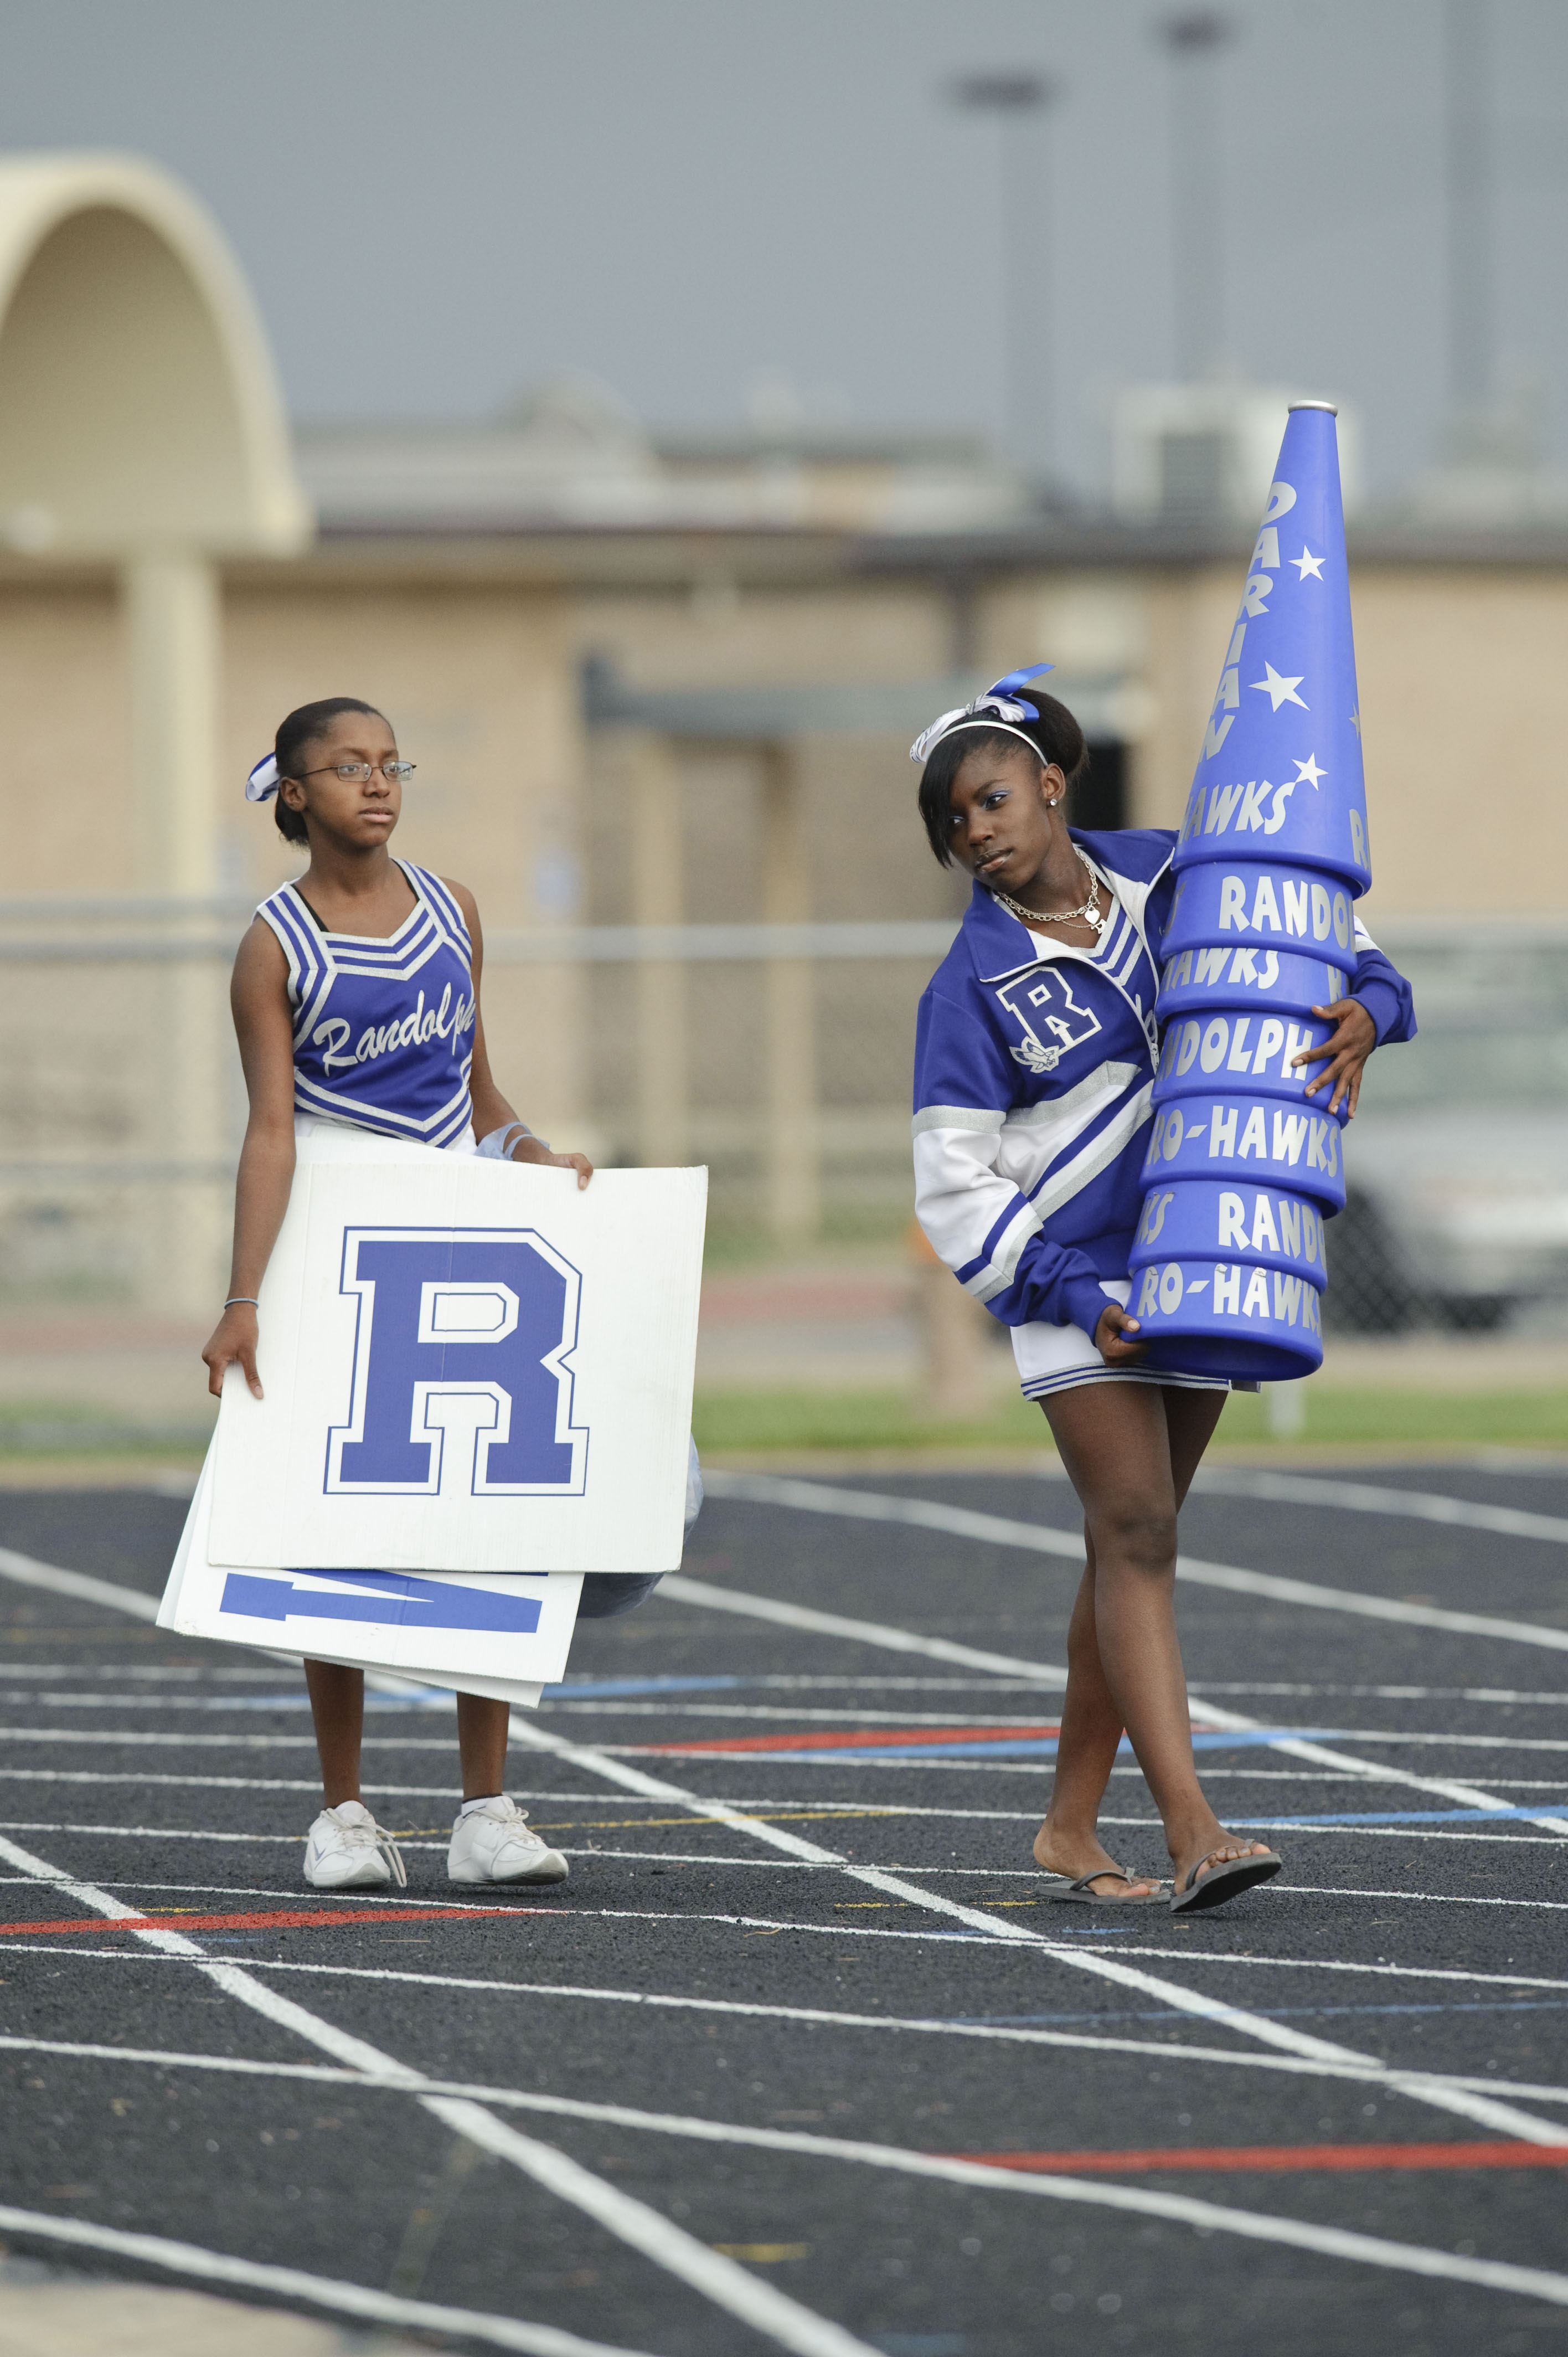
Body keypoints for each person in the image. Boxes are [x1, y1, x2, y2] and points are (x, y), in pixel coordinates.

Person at [910, 671, 1414, 1912]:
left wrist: (1373, 1011)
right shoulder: (968, 987)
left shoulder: (1177, 871)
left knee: (1125, 1547)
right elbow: (952, 1186)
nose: (977, 831)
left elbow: (1336, 947)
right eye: (952, 824)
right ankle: (1196, 1829)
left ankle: (1068, 1828)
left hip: (1208, 1250)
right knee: (1136, 1529)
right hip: (1075, 1288)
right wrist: (1074, 1293)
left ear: (1049, 783)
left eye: (989, 799)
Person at [202, 696, 621, 1895]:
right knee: (340, 1533)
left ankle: (484, 1807)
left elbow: (479, 1086)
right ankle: (344, 1813)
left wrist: (530, 1148)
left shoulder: (454, 910)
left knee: (480, 1519)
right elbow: (272, 1129)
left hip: (464, 1244)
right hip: (338, 1256)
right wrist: (246, 1295)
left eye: (392, 765)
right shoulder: (274, 946)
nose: (377, 785)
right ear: (293, 793)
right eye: (347, 767)